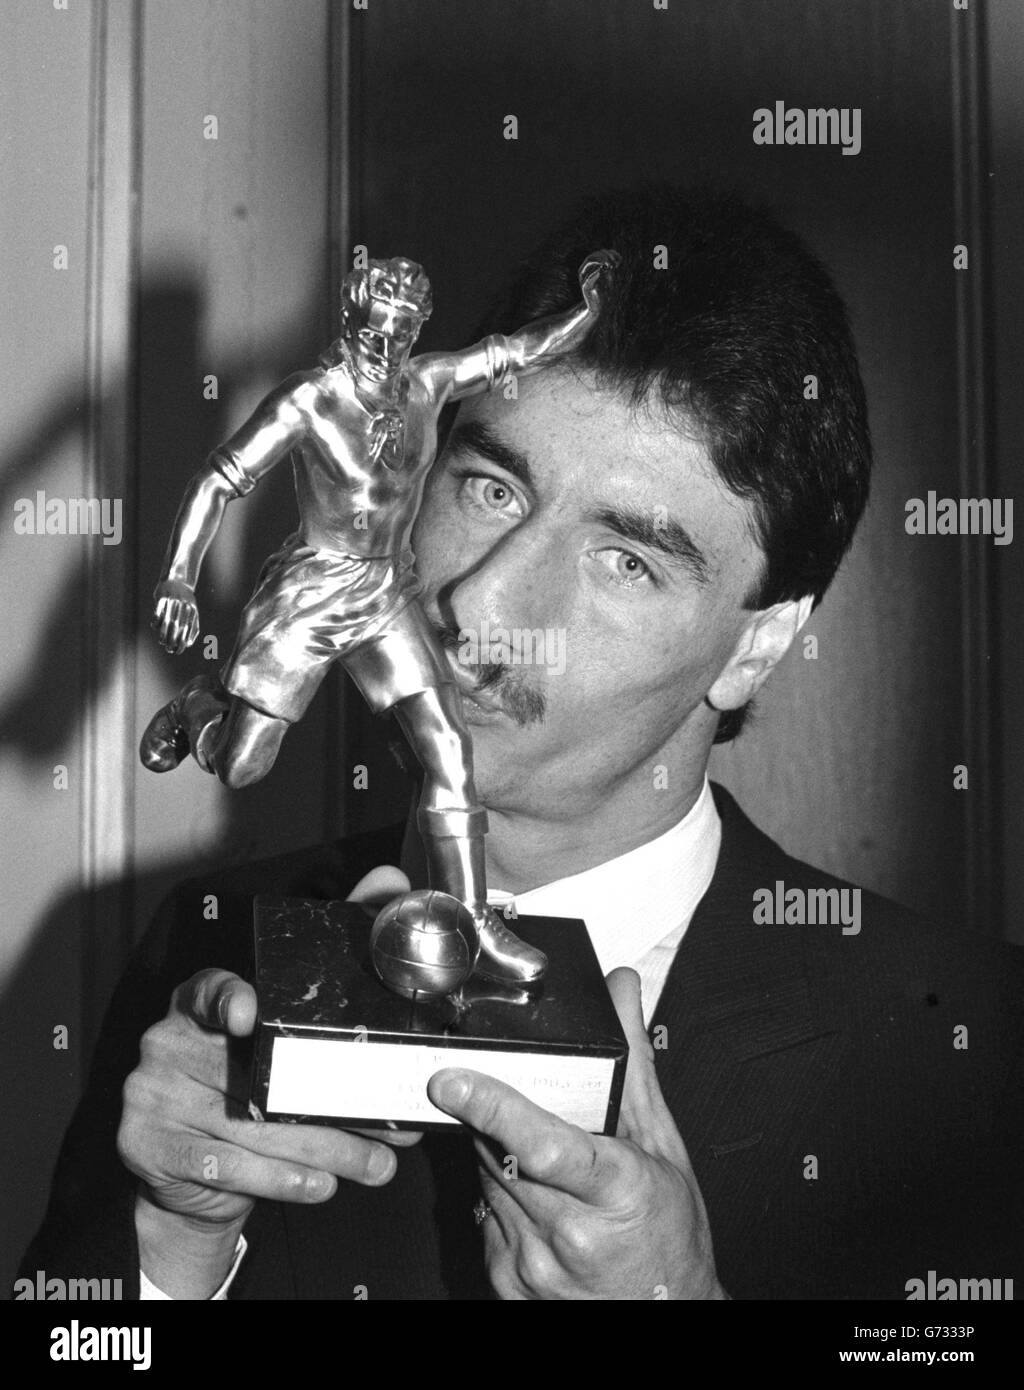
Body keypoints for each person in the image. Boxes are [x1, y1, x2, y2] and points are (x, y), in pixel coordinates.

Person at [17, 185, 1023, 1301]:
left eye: (624, 559)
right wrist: (171, 1252)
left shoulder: (965, 1052)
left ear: (758, 646)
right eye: (492, 487)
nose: (484, 599)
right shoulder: (205, 949)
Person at [139, 251, 615, 986]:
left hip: (386, 594)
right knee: (241, 767)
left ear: (415, 328)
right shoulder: (310, 401)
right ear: (350, 321)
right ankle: (200, 705)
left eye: (398, 332)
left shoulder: (425, 385)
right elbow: (219, 478)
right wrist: (178, 577)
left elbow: (513, 352)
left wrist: (586, 313)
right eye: (371, 330)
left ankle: (473, 922)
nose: (383, 346)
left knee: (448, 750)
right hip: (312, 594)